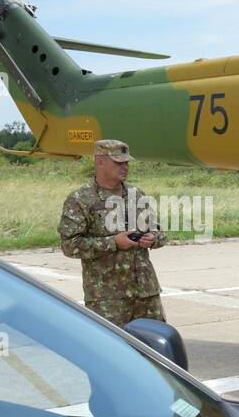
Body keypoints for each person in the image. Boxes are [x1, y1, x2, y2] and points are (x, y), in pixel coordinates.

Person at [58, 139, 166, 326]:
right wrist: (114, 242)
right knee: (110, 351)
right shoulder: (81, 199)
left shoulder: (136, 195)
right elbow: (69, 246)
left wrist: (153, 238)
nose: (125, 166)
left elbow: (159, 231)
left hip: (146, 293)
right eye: (119, 162)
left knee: (153, 348)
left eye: (127, 162)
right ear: (100, 162)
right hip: (107, 298)